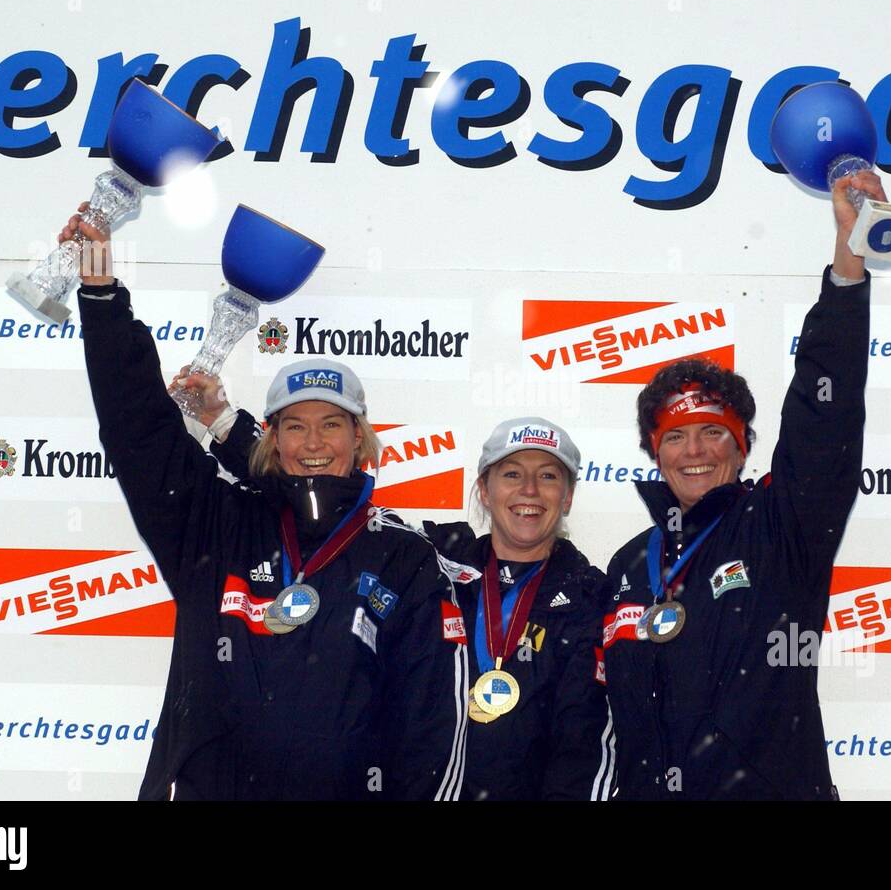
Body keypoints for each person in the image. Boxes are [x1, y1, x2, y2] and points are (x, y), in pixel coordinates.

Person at [62, 204, 469, 801]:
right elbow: (139, 429)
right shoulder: (219, 524)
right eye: (295, 427)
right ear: (272, 439)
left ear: (360, 439)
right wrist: (100, 292)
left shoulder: (403, 558)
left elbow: (432, 728)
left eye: (332, 425)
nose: (313, 444)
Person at [600, 171, 882, 800]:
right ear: (653, 453)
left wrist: (848, 260)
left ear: (743, 445)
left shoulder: (783, 526)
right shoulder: (627, 565)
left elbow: (824, 412)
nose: (694, 451)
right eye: (675, 437)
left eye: (713, 433)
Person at [189, 397, 616, 801]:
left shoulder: (592, 598)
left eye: (548, 476)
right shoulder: (429, 557)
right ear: (484, 491)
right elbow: (309, 488)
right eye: (511, 474)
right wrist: (225, 422)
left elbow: (585, 752)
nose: (528, 491)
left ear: (568, 496)